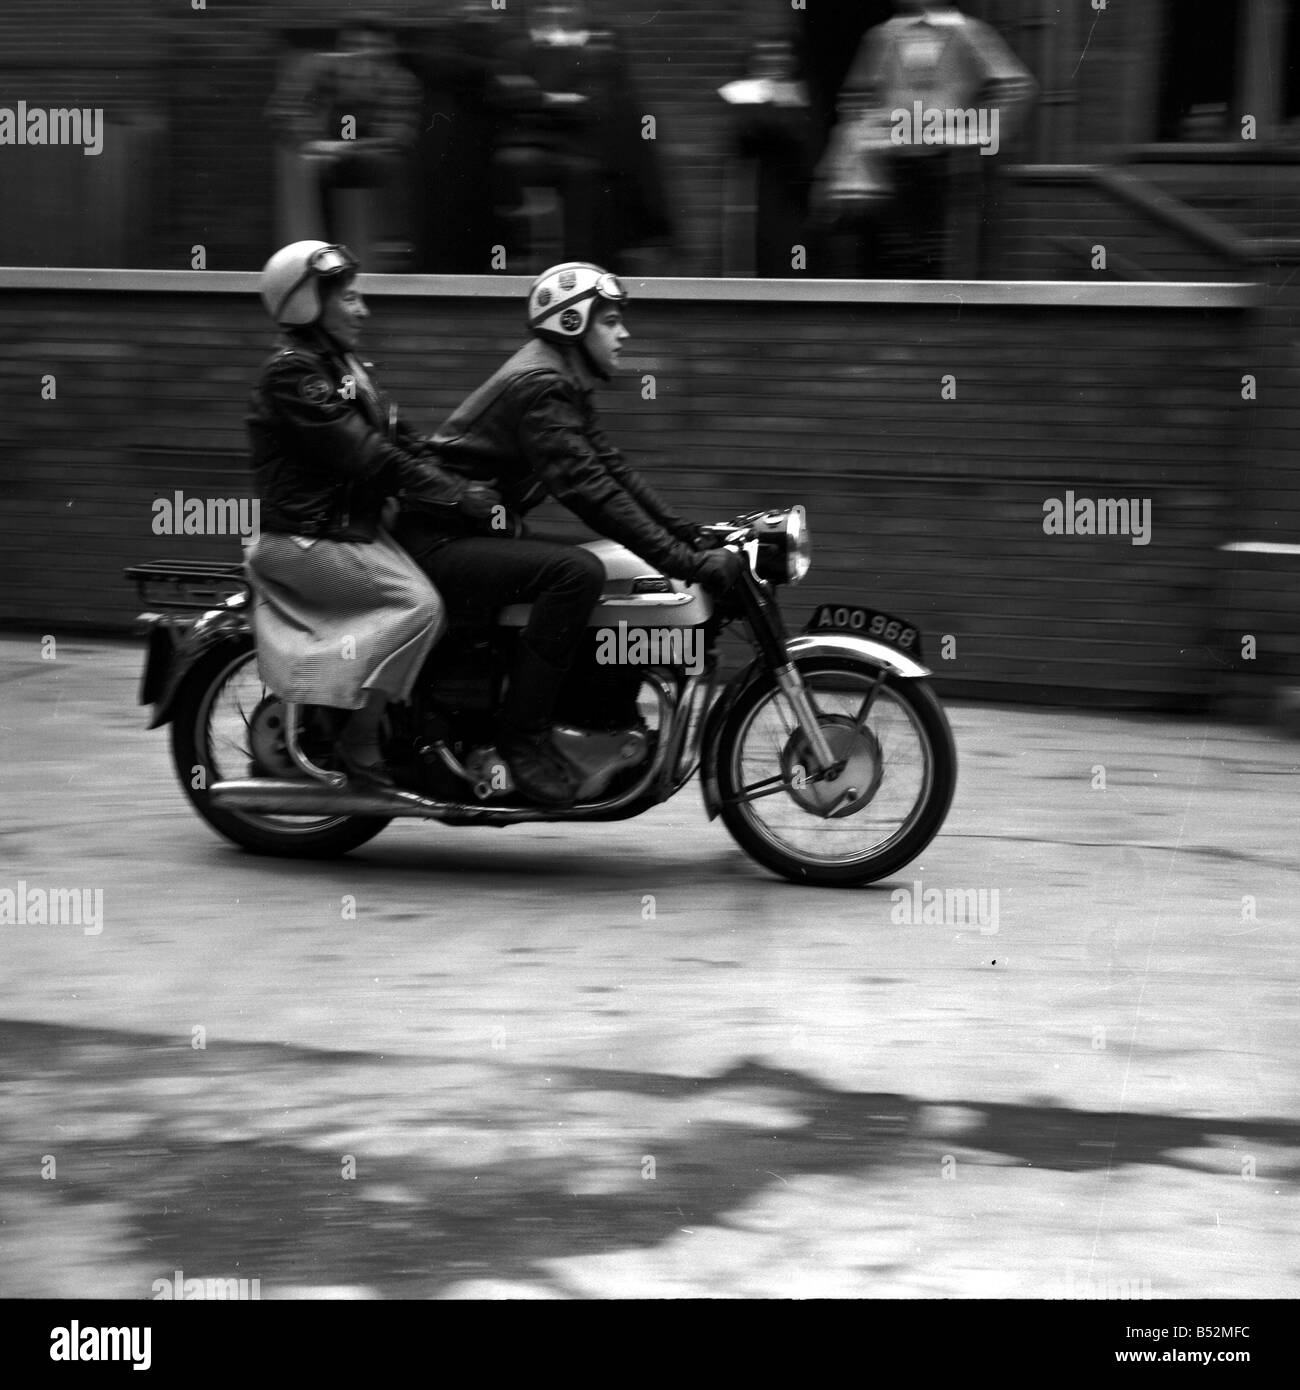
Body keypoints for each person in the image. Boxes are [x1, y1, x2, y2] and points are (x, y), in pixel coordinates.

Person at [393, 261, 740, 806]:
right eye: (611, 321)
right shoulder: (541, 386)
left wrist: (689, 537)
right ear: (574, 323)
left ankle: (577, 716)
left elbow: (613, 472)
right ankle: (522, 739)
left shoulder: (561, 382)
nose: (624, 333)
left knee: (599, 570)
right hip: (438, 544)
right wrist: (686, 562)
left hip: (469, 537)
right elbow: (588, 492)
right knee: (576, 572)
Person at [246, 240, 500, 788]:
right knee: (421, 607)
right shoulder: (294, 377)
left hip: (352, 531)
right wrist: (456, 496)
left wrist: (468, 476)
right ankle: (358, 737)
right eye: (351, 299)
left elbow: (401, 442)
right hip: (308, 539)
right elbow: (364, 453)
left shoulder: (343, 368)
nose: (364, 310)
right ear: (307, 301)